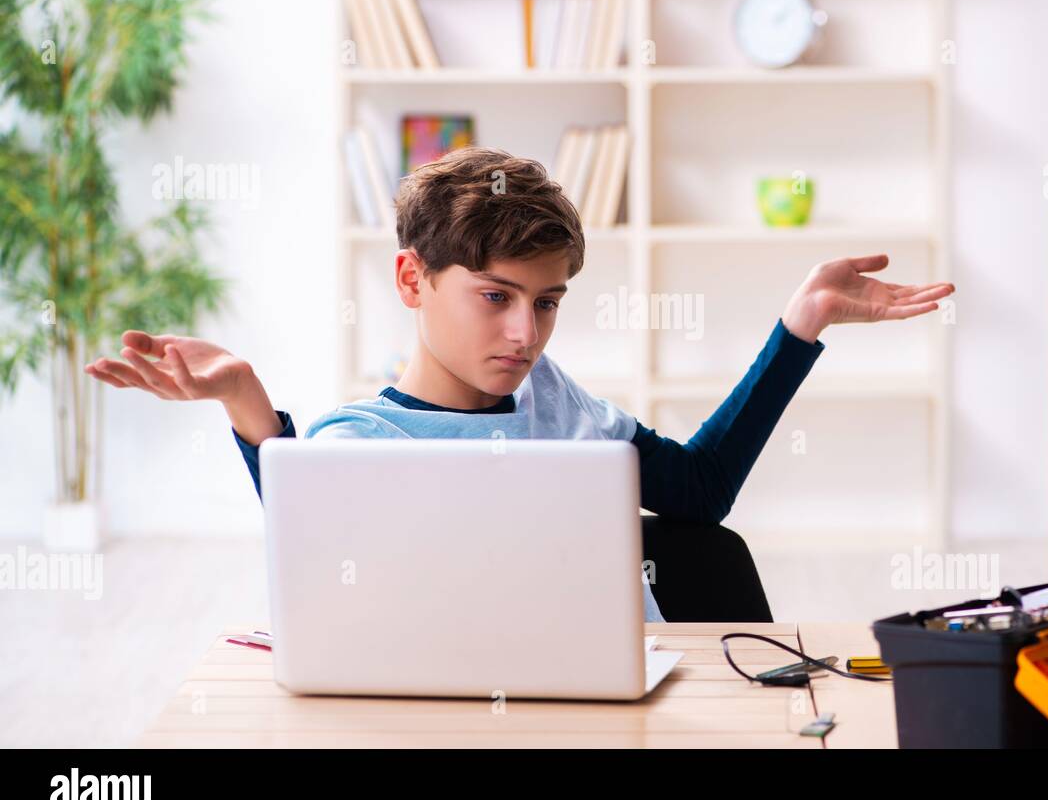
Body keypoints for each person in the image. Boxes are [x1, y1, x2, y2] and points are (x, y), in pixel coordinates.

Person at [85, 146, 955, 622]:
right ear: (411, 279)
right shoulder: (359, 441)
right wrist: (246, 405)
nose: (523, 334)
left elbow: (696, 493)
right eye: (495, 297)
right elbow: (324, 565)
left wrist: (797, 327)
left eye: (546, 303)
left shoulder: (553, 399)